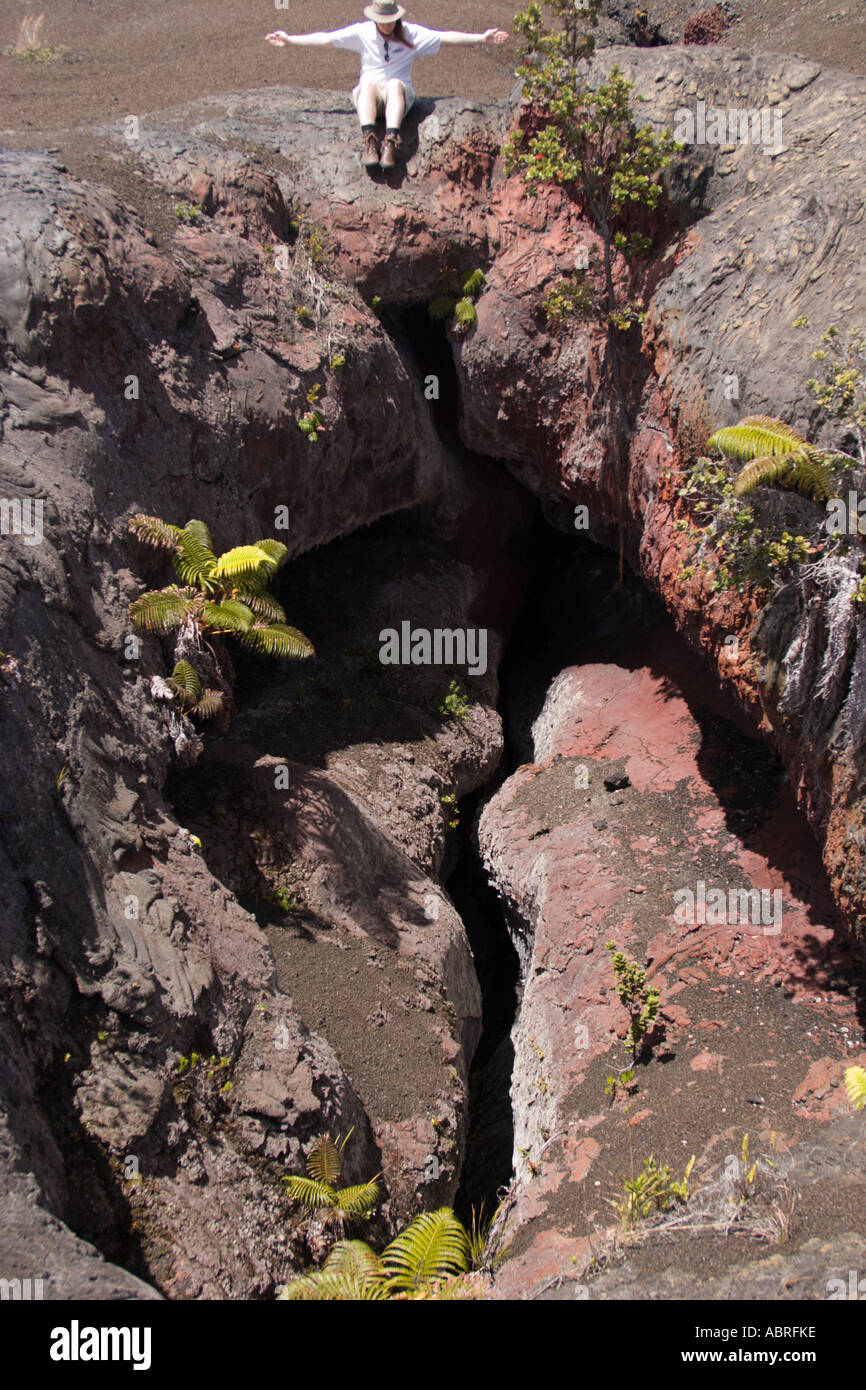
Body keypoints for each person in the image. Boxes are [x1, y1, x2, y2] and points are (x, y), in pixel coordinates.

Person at [266, 3, 508, 170]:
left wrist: (481, 38)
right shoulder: (362, 32)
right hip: (370, 98)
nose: (386, 25)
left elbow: (445, 37)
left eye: (390, 21)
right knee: (367, 83)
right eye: (382, 21)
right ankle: (370, 142)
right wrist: (290, 40)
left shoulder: (412, 34)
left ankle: (390, 142)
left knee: (394, 84)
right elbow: (328, 39)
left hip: (399, 97)